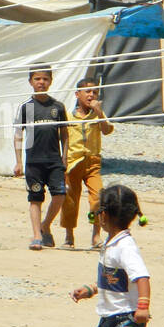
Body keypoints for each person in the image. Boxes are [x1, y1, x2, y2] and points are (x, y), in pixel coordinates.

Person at [70, 185, 151, 327]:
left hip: (127, 316)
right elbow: (112, 279)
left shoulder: (126, 247)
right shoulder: (111, 243)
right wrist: (91, 289)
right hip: (108, 314)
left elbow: (142, 277)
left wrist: (143, 307)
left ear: (104, 215)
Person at [13, 64, 69, 250]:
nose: (41, 82)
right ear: (31, 82)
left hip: (54, 160)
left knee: (60, 195)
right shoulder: (27, 107)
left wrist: (65, 156)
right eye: (37, 79)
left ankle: (45, 225)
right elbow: (18, 134)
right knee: (35, 198)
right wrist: (19, 161)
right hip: (34, 161)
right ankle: (37, 235)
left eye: (45, 79)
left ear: (50, 81)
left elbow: (65, 134)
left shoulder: (57, 107)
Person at [60, 78, 113, 249]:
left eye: (94, 92)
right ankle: (69, 236)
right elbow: (64, 139)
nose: (91, 95)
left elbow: (107, 130)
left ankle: (96, 235)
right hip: (73, 163)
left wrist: (99, 113)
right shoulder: (69, 116)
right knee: (70, 200)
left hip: (92, 163)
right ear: (77, 94)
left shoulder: (97, 115)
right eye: (87, 91)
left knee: (98, 198)